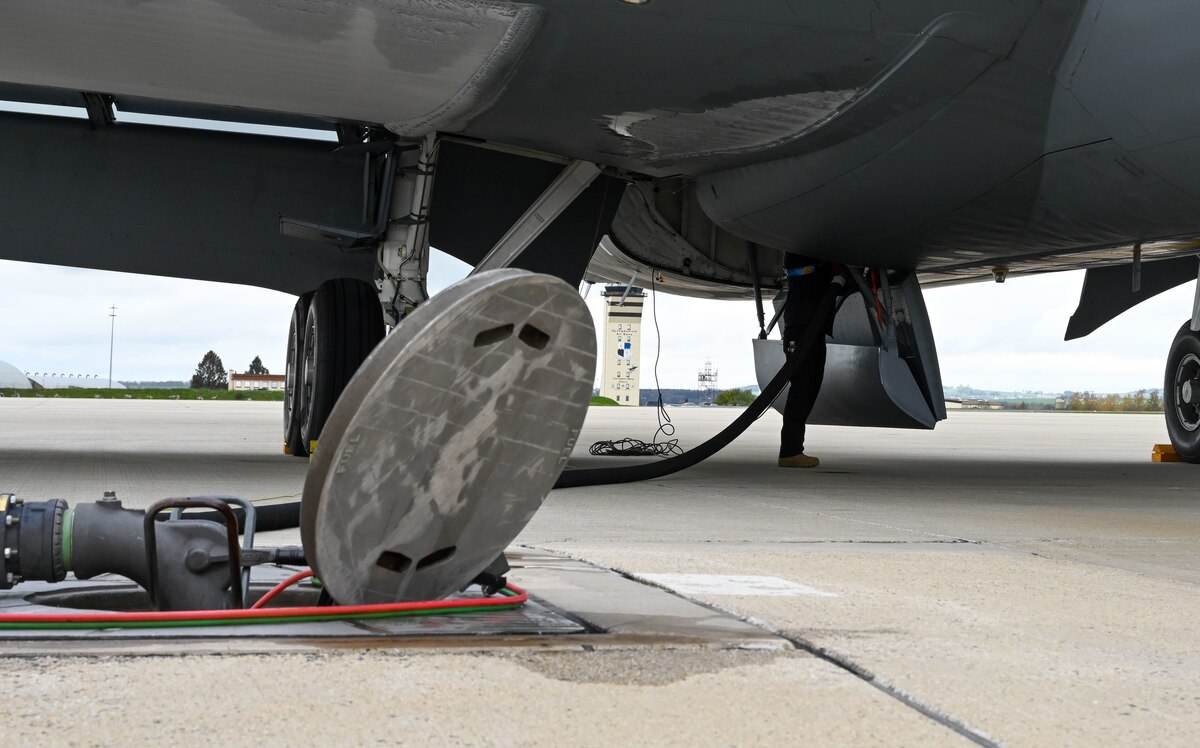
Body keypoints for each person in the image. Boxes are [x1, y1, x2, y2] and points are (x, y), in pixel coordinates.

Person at [778, 253, 834, 468]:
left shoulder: (813, 265)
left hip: (810, 329)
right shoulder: (801, 260)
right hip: (803, 330)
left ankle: (792, 450)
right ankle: (790, 451)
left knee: (807, 388)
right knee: (802, 389)